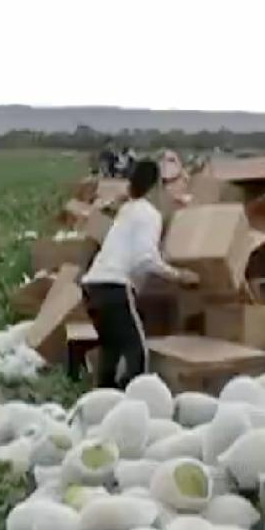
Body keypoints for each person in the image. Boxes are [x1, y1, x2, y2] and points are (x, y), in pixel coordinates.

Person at [81, 158, 196, 389]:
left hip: (92, 287)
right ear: (156, 187)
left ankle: (103, 399)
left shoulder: (128, 210)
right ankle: (133, 402)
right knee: (138, 353)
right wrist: (179, 276)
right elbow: (145, 259)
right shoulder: (149, 214)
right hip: (114, 287)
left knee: (111, 350)